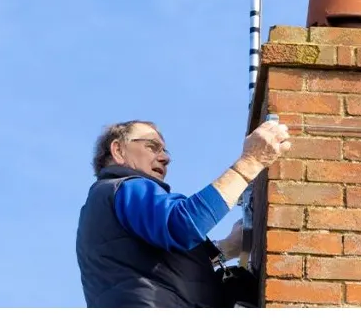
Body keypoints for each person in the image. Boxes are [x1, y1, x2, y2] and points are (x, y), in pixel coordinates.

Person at [75, 117, 291, 308]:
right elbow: (183, 224)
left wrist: (225, 248)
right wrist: (250, 162)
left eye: (164, 151)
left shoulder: (105, 203)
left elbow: (157, 267)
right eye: (152, 146)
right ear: (118, 151)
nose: (165, 158)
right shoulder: (125, 187)